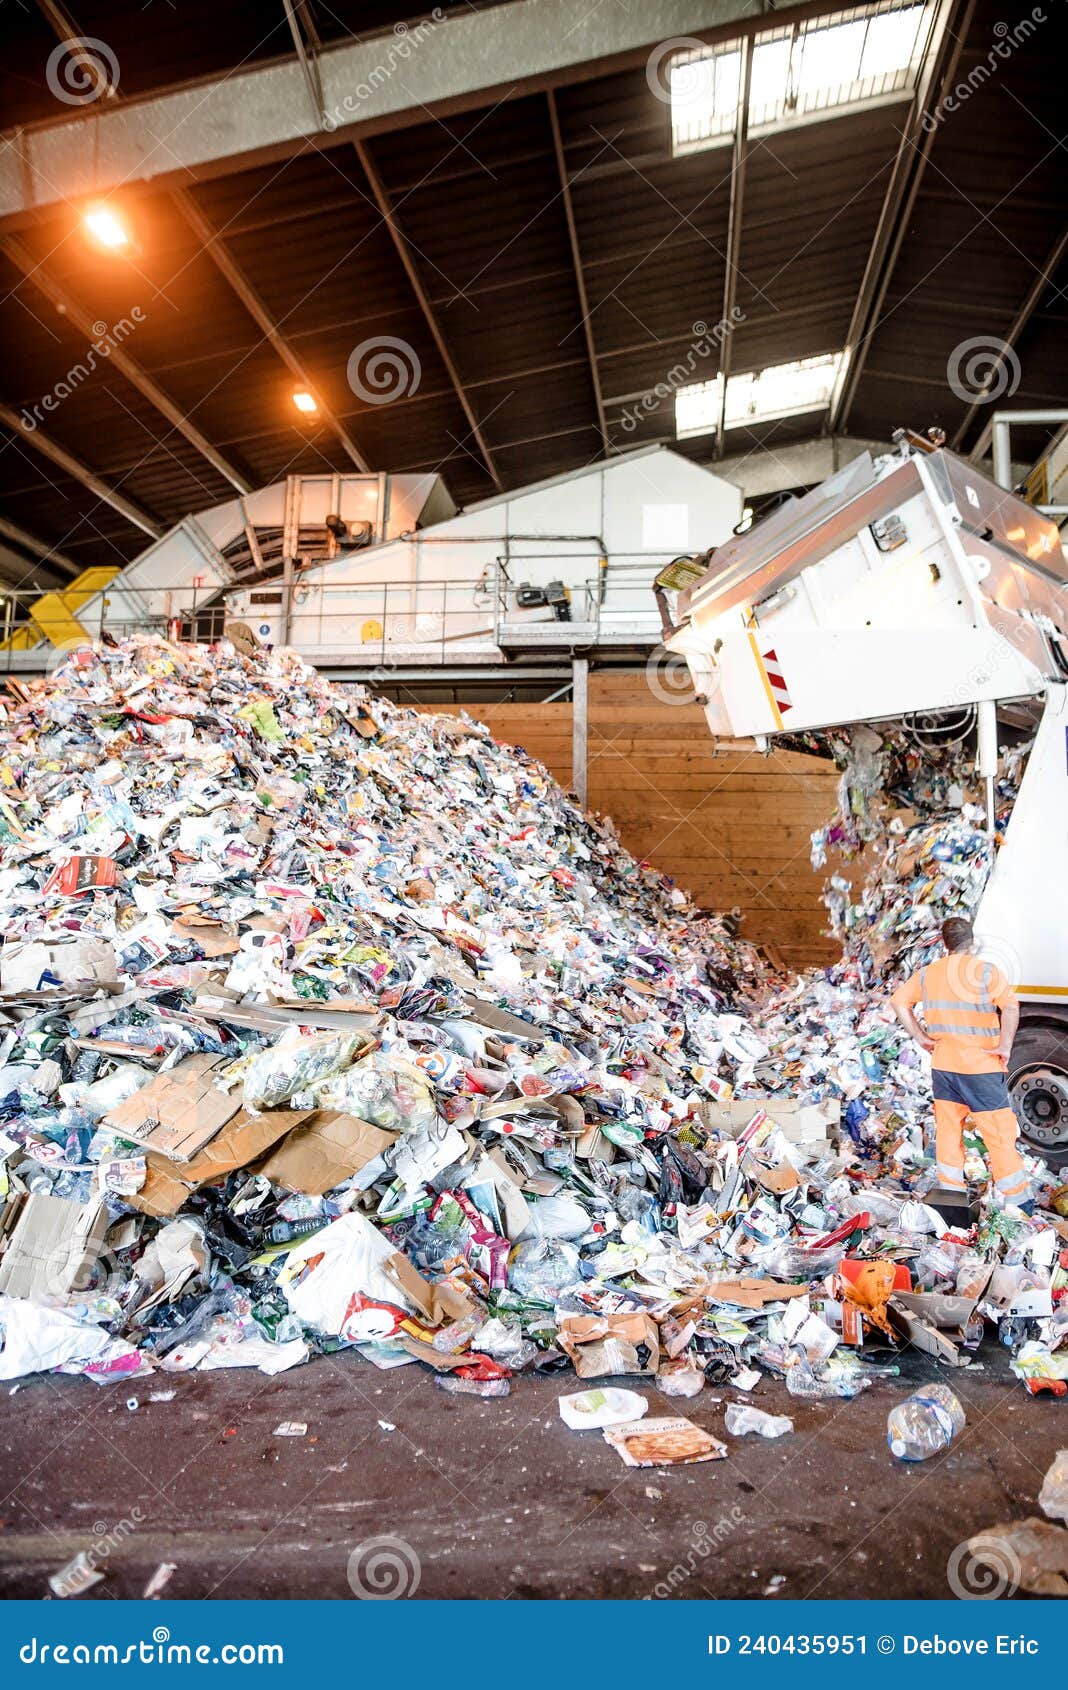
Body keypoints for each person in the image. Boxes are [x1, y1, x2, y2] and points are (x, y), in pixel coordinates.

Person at [890, 916, 1030, 1208]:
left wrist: (920, 1036)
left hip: (944, 1068)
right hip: (981, 1068)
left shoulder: (929, 973)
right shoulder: (986, 971)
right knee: (998, 1135)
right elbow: (1011, 1007)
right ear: (972, 941)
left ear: (944, 943)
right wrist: (1005, 1045)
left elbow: (899, 1002)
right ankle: (1018, 1203)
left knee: (949, 1131)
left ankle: (951, 1197)